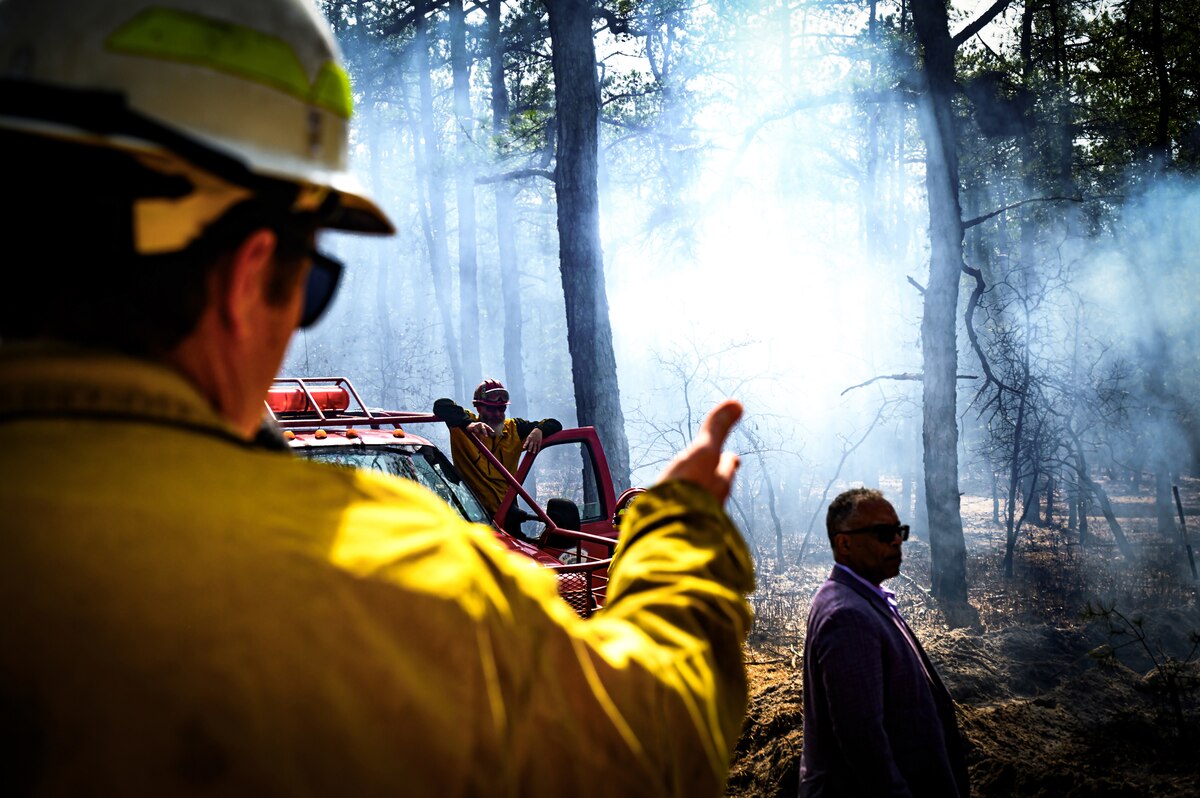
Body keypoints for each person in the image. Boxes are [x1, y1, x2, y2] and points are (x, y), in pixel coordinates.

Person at [0, 1, 755, 796]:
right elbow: (648, 742)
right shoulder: (395, 577)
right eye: (312, 280)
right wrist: (680, 530)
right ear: (250, 275)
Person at [797, 488, 969, 798]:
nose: (896, 541)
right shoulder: (847, 616)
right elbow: (863, 743)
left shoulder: (859, 596)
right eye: (883, 533)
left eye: (899, 531)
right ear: (844, 543)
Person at [433, 380, 563, 526]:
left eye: (501, 409)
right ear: (478, 407)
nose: (497, 414)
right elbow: (441, 405)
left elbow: (554, 423)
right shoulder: (462, 427)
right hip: (471, 518)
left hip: (506, 516)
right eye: (491, 409)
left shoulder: (514, 429)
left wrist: (539, 430)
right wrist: (468, 424)